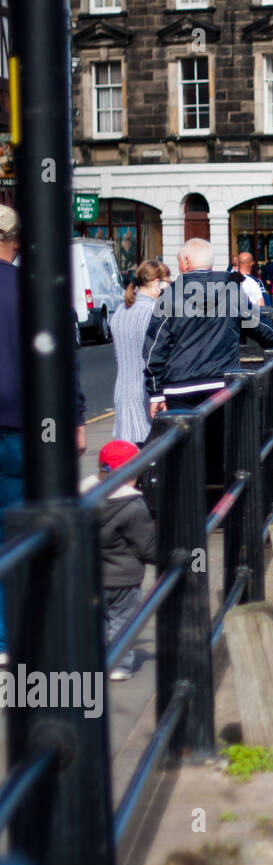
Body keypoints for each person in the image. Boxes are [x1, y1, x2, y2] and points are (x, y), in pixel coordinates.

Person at [1, 206, 87, 666]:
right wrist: (74, 417)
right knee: (21, 532)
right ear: (16, 242)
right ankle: (14, 637)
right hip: (23, 430)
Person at [143, 237, 273, 501]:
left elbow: (154, 349)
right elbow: (260, 329)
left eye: (180, 259)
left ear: (188, 262)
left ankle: (187, 510)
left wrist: (156, 392)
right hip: (222, 384)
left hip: (180, 387)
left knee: (183, 451)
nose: (178, 265)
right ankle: (226, 506)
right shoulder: (230, 291)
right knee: (223, 448)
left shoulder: (171, 296)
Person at [87, 440, 156, 682]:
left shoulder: (86, 500)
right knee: (123, 622)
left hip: (90, 577)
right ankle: (118, 666)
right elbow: (147, 547)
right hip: (124, 579)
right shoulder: (133, 507)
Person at [111, 260, 169, 444]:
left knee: (129, 457)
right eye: (168, 281)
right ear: (157, 282)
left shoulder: (120, 309)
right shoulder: (154, 310)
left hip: (122, 392)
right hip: (146, 394)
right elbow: (157, 355)